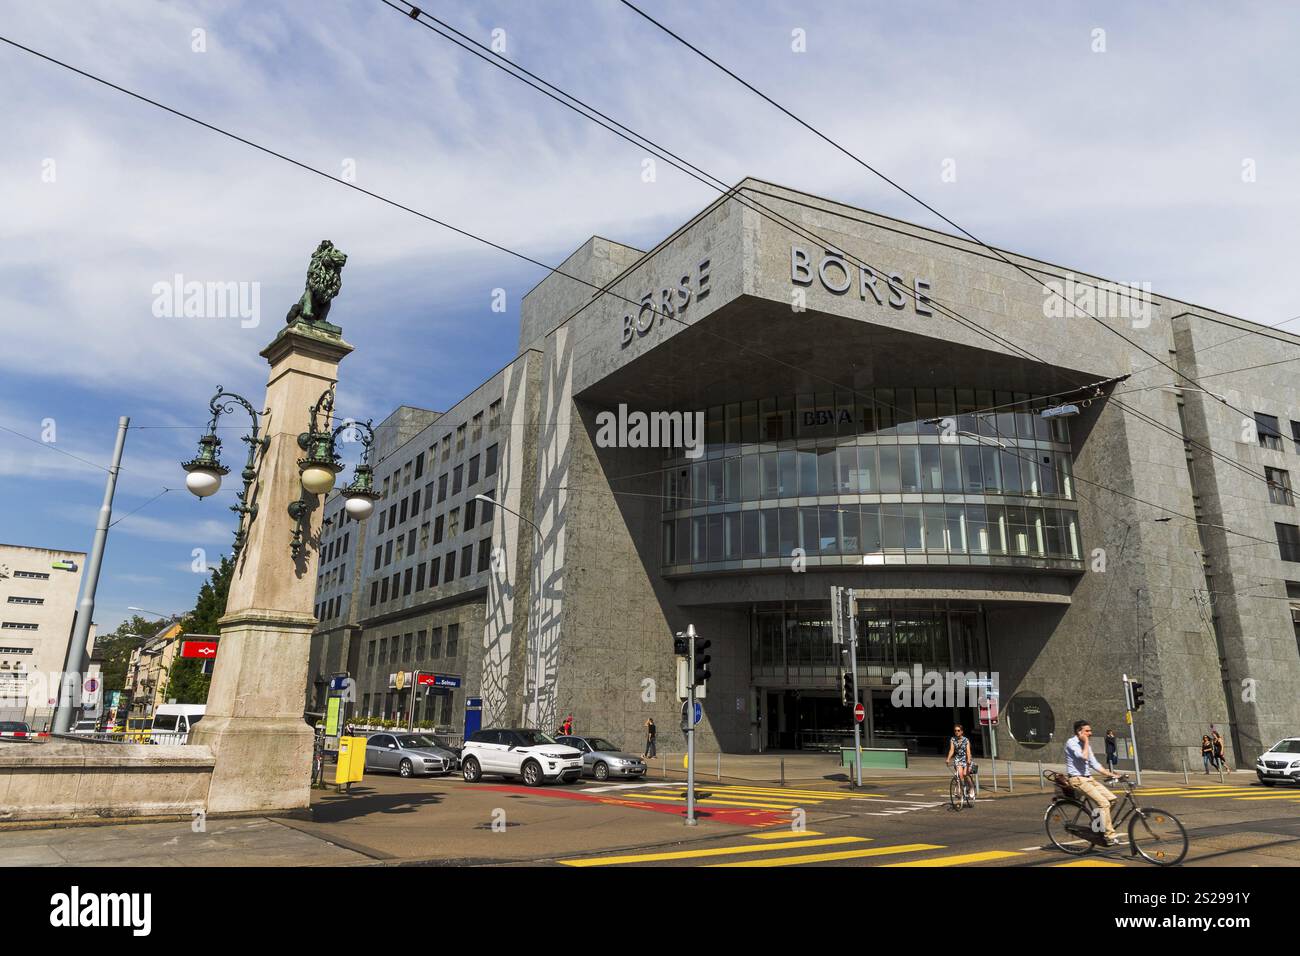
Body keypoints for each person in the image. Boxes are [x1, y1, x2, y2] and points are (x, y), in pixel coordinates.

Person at [1064, 719, 1124, 845]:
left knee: (1112, 800)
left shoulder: (1087, 745)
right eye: (1087, 731)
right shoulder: (1071, 742)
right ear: (1078, 732)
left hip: (1088, 778)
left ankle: (1097, 823)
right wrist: (1085, 741)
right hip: (1077, 779)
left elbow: (1095, 764)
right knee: (1103, 803)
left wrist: (1114, 775)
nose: (1090, 733)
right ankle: (1110, 835)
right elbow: (1083, 757)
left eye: (1090, 731)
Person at [945, 724, 974, 799]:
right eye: (955, 731)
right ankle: (958, 788)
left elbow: (968, 752)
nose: (956, 732)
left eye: (958, 730)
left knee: (965, 774)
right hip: (958, 758)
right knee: (959, 775)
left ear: (962, 731)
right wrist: (948, 758)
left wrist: (968, 760)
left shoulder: (966, 740)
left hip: (966, 758)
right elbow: (951, 750)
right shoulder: (952, 739)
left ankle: (971, 788)